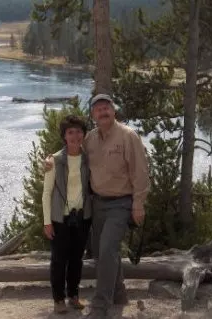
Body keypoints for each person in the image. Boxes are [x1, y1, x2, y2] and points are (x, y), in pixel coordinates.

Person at [45, 94, 150, 318]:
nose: (102, 112)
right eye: (98, 109)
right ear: (93, 115)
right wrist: (48, 162)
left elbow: (140, 172)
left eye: (106, 108)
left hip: (121, 203)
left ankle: (100, 305)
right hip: (97, 204)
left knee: (108, 249)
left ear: (114, 110)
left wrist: (138, 204)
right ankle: (119, 294)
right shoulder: (90, 138)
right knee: (103, 253)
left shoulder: (128, 136)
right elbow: (70, 153)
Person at [42, 115, 92, 314]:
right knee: (59, 260)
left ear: (84, 134)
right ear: (64, 136)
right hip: (59, 219)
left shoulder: (89, 158)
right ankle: (58, 299)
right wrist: (47, 222)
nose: (75, 135)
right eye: (70, 132)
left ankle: (73, 295)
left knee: (76, 259)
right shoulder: (54, 161)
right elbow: (46, 193)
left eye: (79, 131)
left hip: (82, 217)